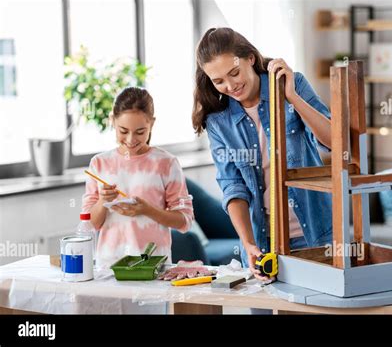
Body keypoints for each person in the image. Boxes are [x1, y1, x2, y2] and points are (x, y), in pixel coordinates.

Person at [192, 27, 333, 281]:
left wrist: (292, 97)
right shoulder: (219, 122)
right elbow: (233, 187)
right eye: (218, 81)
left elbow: (335, 142)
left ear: (250, 58)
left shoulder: (292, 84)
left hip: (315, 235)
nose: (230, 85)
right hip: (264, 245)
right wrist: (248, 244)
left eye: (234, 73)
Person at [82, 87, 193, 268]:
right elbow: (89, 225)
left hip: (153, 267)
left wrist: (148, 210)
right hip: (109, 268)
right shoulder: (99, 164)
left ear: (152, 124)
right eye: (123, 131)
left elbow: (185, 221)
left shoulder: (166, 163)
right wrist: (102, 201)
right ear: (112, 121)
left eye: (140, 132)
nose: (131, 139)